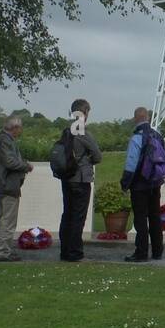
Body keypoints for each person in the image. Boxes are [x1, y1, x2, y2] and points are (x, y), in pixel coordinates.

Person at [58, 99, 103, 262]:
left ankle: (64, 251)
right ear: (84, 112)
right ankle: (75, 252)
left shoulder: (66, 131)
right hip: (81, 179)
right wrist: (89, 160)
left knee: (67, 214)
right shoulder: (82, 131)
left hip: (66, 178)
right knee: (78, 217)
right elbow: (98, 155)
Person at [121, 107, 164, 262]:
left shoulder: (136, 138)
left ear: (135, 119)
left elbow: (131, 165)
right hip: (155, 183)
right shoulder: (157, 135)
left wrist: (125, 184)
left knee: (140, 219)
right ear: (148, 117)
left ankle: (141, 253)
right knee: (155, 217)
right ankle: (158, 251)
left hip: (140, 185)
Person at [0, 116, 33, 262]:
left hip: (3, 185)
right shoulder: (5, 140)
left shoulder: (0, 139)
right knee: (8, 220)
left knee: (1, 218)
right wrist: (26, 166)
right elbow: (10, 162)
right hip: (8, 185)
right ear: (15, 128)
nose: (21, 130)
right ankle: (2, 252)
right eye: (20, 127)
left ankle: (0, 249)